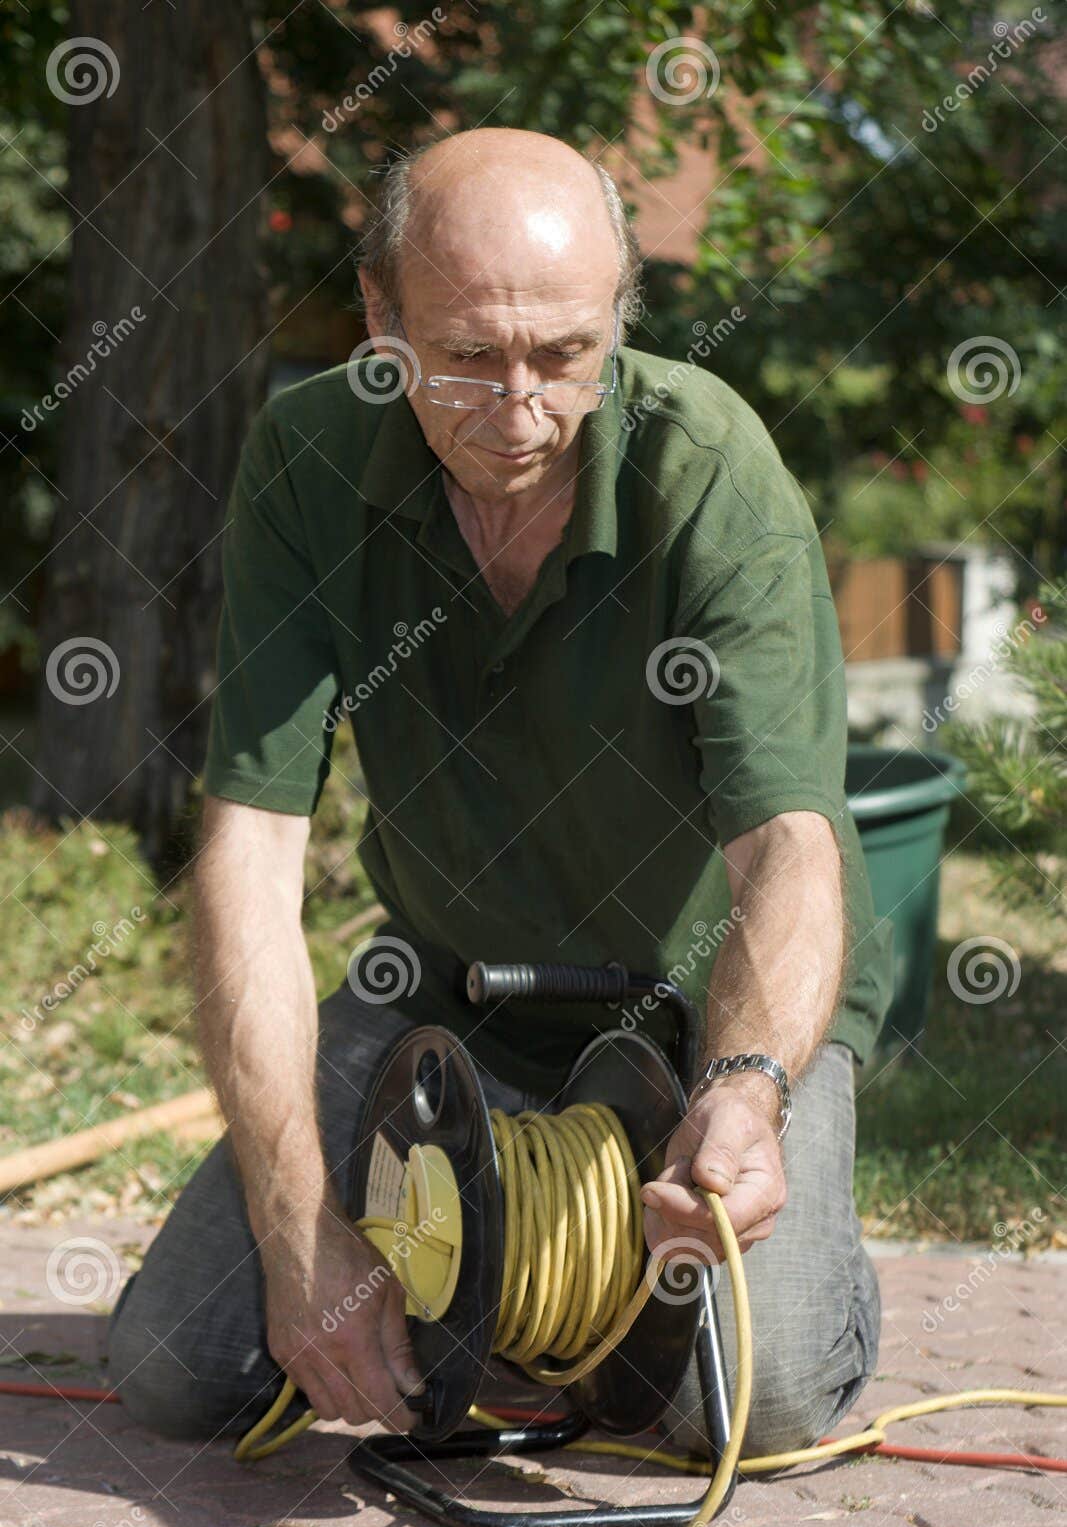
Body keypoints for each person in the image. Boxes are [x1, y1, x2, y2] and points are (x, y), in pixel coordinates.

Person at [108, 128, 892, 1459]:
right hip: (448, 985)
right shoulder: (307, 461)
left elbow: (790, 846)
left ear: (619, 320)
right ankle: (522, 1244)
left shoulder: (713, 469)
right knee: (177, 1370)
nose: (520, 409)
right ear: (379, 316)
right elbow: (249, 852)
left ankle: (709, 1252)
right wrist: (300, 1227)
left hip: (718, 1004)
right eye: (469, 355)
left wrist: (749, 1088)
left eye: (567, 355)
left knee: (754, 1405)